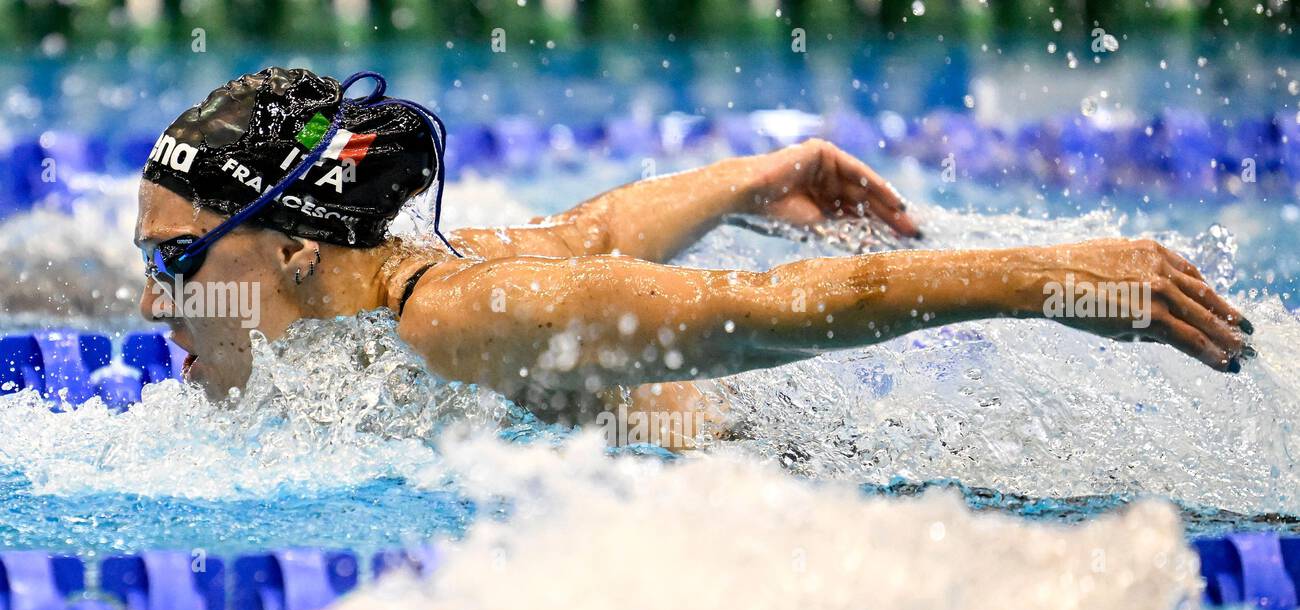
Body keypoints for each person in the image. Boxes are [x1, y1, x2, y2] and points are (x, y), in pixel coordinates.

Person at [137, 67, 1251, 446]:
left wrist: (1052, 279)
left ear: (289, 249)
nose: (153, 300)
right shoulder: (412, 273)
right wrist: (759, 176)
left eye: (180, 261)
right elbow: (589, 240)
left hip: (799, 490)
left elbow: (777, 304)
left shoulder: (453, 315)